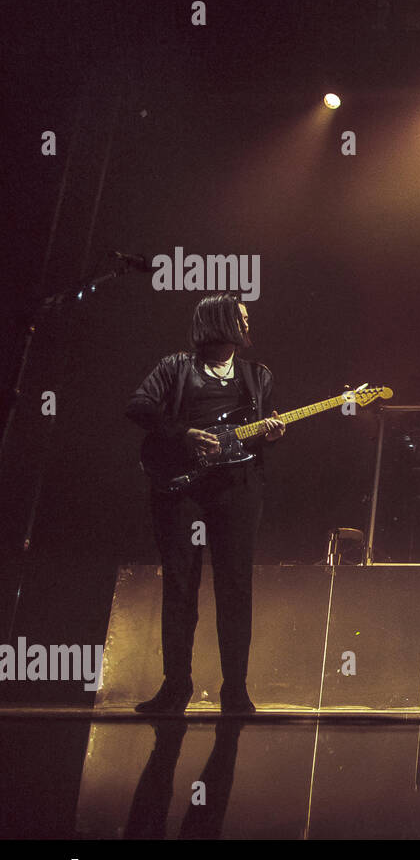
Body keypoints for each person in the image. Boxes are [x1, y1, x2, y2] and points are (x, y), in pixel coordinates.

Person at [126, 294, 285, 714]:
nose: (250, 324)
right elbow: (138, 406)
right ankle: (175, 687)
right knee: (180, 586)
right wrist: (183, 434)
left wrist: (269, 432)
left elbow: (256, 425)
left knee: (236, 586)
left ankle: (235, 690)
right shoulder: (175, 367)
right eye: (242, 318)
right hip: (182, 489)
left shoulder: (257, 375)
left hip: (237, 489)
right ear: (220, 323)